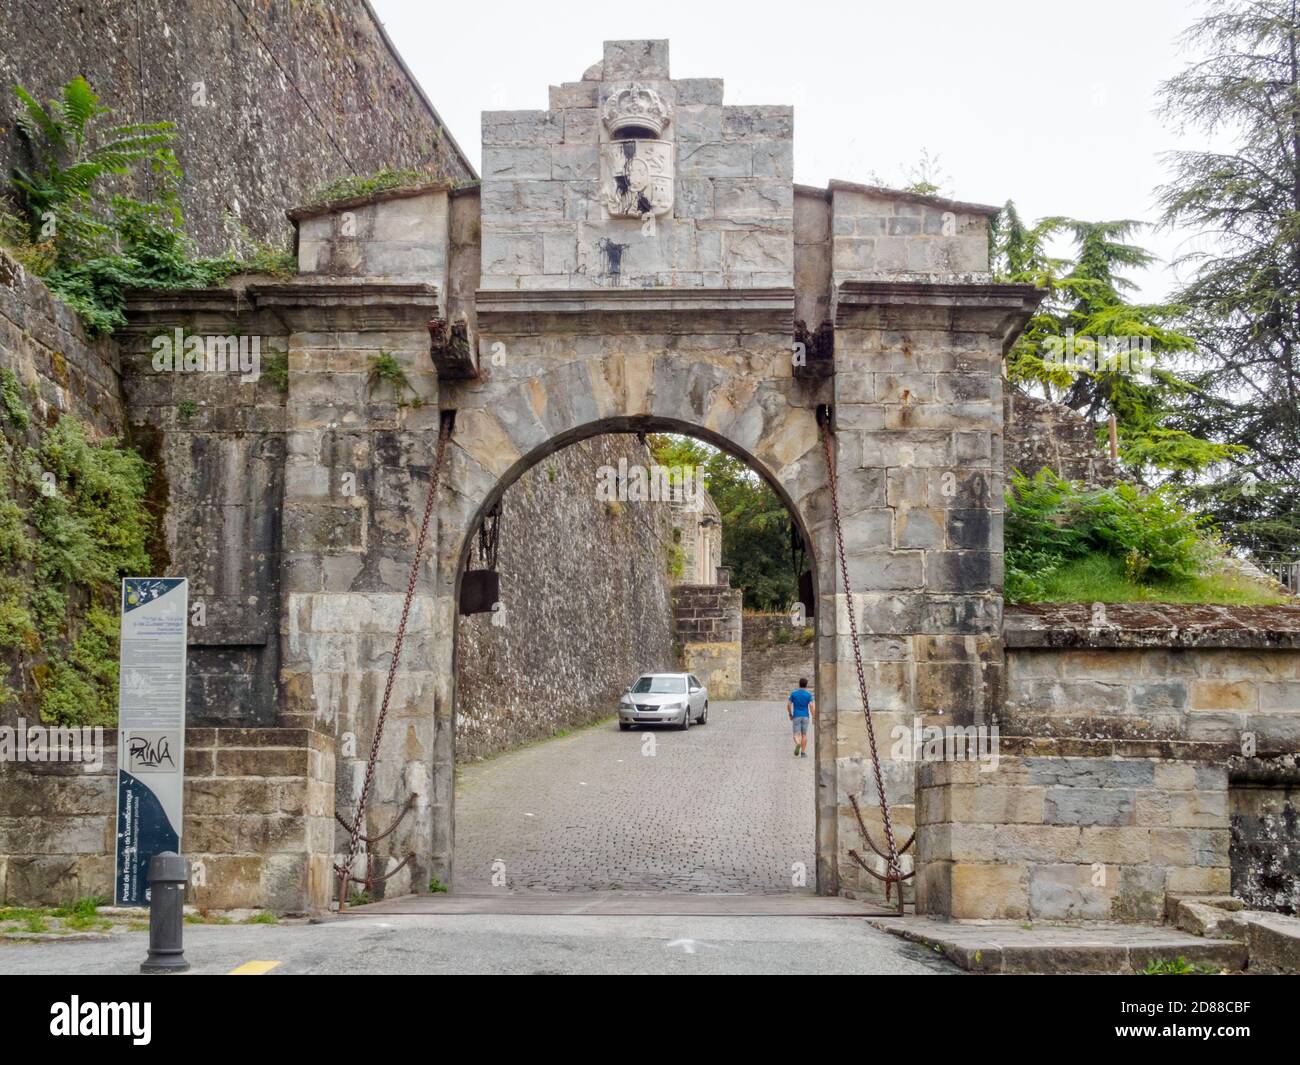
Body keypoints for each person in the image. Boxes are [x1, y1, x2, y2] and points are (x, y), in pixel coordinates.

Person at [787, 678, 814, 758]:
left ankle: (798, 743)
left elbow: (788, 704)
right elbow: (811, 705)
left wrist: (790, 714)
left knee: (796, 734)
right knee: (804, 735)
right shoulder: (808, 695)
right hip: (805, 716)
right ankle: (803, 752)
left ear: (799, 684)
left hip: (796, 716)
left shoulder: (794, 694)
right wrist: (813, 716)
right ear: (806, 685)